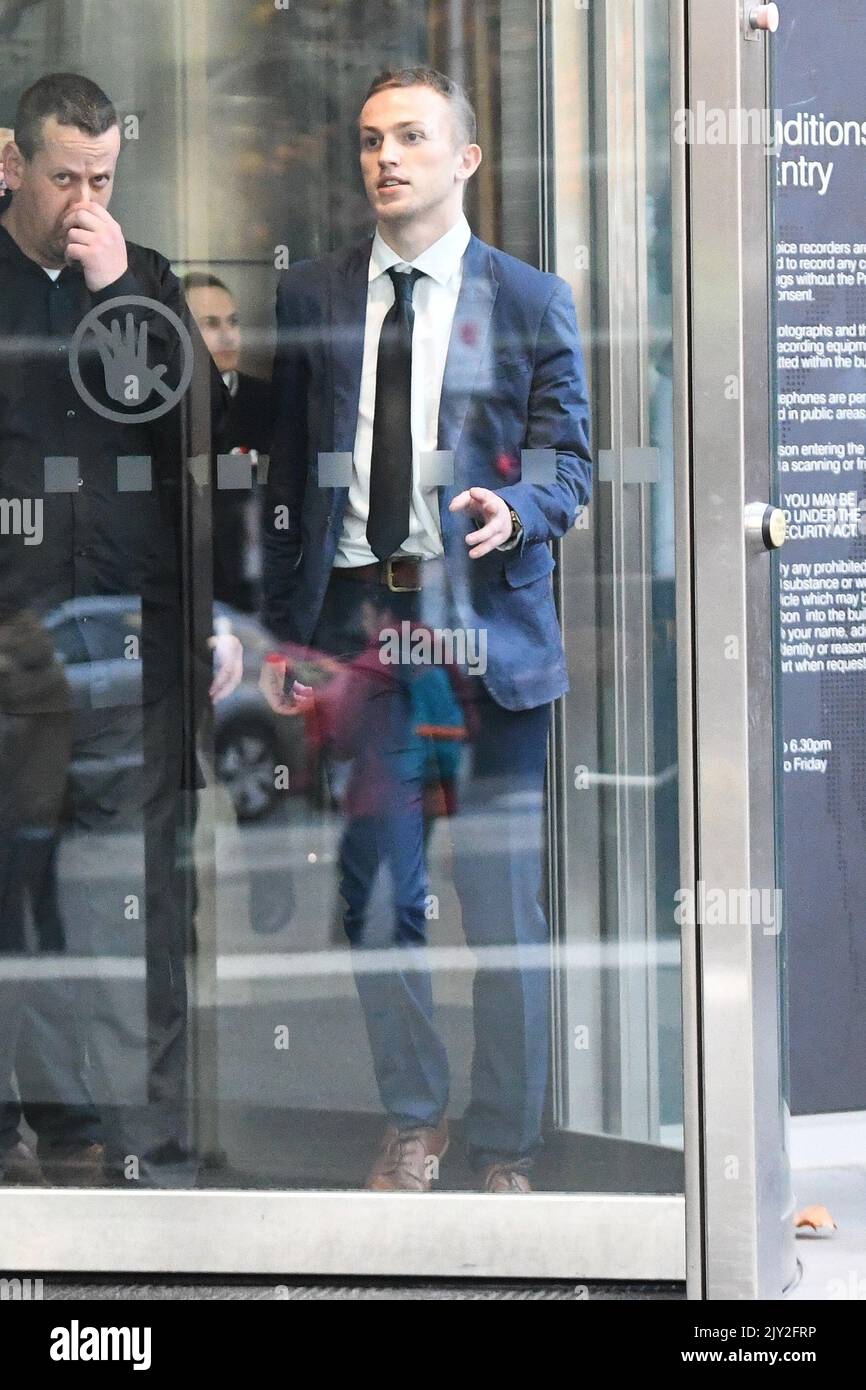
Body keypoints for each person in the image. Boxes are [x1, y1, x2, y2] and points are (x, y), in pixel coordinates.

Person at [261, 67, 591, 1194]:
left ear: (464, 161)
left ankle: (506, 1142)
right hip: (364, 627)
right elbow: (289, 474)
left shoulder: (531, 299)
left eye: (409, 137)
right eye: (367, 140)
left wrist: (521, 507)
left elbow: (568, 463)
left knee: (500, 908)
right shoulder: (310, 296)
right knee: (377, 891)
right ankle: (413, 1117)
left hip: (485, 629)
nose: (384, 157)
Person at [0, 73, 242, 1188]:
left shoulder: (138, 281)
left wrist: (114, 296)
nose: (82, 200)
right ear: (11, 163)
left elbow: (191, 429)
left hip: (131, 647)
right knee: (21, 889)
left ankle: (140, 1137)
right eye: (62, 178)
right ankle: (47, 1118)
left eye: (101, 179)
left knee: (139, 894)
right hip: (16, 645)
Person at [183, 272, 272, 610]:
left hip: (255, 584)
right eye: (210, 323)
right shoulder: (161, 409)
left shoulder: (270, 402)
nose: (227, 335)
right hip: (187, 583)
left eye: (233, 322)